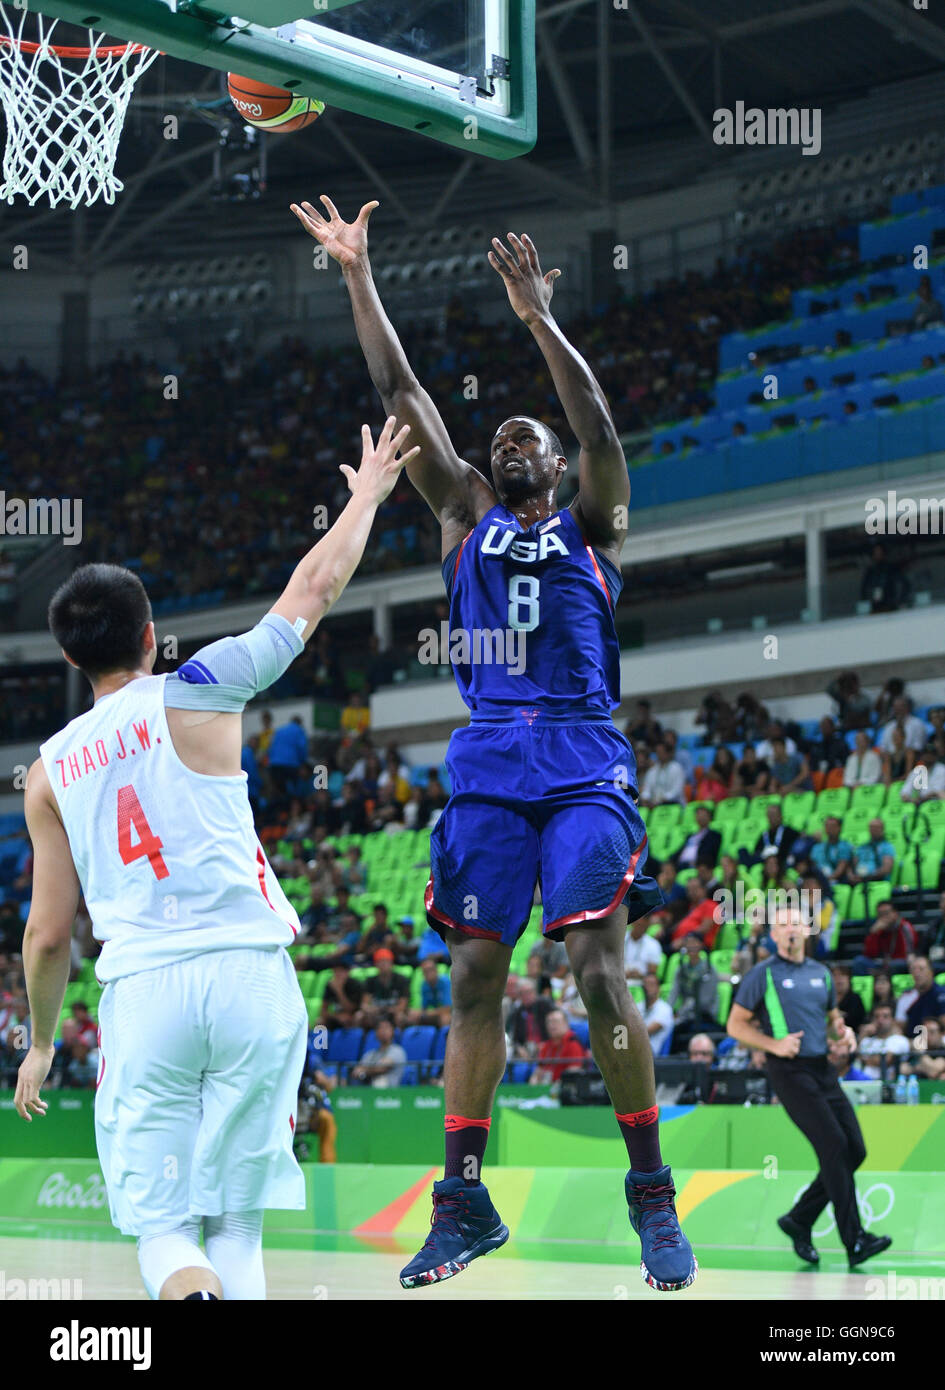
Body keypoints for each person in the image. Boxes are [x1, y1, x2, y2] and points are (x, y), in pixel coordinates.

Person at [293, 196, 693, 1291]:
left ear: (558, 469)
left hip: (581, 758)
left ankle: (650, 1192)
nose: (513, 440)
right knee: (473, 976)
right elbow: (401, 394)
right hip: (488, 763)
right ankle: (463, 1201)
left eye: (532, 438)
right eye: (502, 434)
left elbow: (600, 428)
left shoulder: (595, 524)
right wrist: (358, 274)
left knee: (597, 976)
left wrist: (537, 319)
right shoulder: (463, 513)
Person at [13, 416, 417, 1301]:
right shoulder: (202, 687)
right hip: (251, 980)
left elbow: (46, 936)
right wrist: (363, 498)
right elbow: (313, 588)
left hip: (145, 992)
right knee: (237, 1223)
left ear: (71, 656)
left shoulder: (46, 773)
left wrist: (41, 1044)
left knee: (164, 1228)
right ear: (151, 635)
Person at [728, 906, 892, 1270]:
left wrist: (843, 1033)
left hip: (823, 1068)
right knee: (834, 1145)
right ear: (773, 935)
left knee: (855, 1149)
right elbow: (735, 1025)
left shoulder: (821, 974)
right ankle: (855, 1241)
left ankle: (799, 1219)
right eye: (782, 924)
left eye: (795, 922)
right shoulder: (762, 974)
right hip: (789, 1071)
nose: (790, 929)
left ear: (807, 929)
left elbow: (832, 1021)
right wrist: (773, 1045)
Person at [895, 956, 945, 1042]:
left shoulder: (942, 993)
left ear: (931, 972)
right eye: (913, 969)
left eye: (921, 969)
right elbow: (899, 1027)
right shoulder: (906, 996)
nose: (916, 973)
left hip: (938, 1042)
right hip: (913, 1042)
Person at [531, 1008, 587, 1084]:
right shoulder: (546, 1045)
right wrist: (533, 1081)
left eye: (555, 1021)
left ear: (566, 1024)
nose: (551, 1025)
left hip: (564, 1086)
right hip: (545, 1086)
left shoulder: (573, 1043)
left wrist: (558, 1084)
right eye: (548, 1022)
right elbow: (539, 1070)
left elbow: (573, 1071)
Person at [857, 1003, 911, 1081]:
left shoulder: (899, 1040)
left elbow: (886, 1060)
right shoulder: (866, 1041)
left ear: (893, 1020)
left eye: (885, 1016)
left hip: (887, 1084)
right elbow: (855, 1060)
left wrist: (864, 1060)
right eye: (877, 1017)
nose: (880, 1020)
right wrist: (862, 1035)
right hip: (863, 1083)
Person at [350, 1016, 407, 1087]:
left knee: (380, 1082)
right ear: (375, 1032)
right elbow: (357, 1071)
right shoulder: (370, 1054)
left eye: (386, 1027)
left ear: (393, 1031)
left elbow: (382, 1068)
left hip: (390, 1090)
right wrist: (363, 1071)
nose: (383, 1031)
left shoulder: (398, 1050)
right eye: (380, 1028)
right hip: (370, 1090)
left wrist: (364, 1071)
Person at [640, 971, 674, 1056]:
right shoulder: (637, 1006)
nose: (648, 987)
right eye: (645, 984)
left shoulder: (665, 1009)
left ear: (658, 988)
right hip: (634, 1047)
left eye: (651, 984)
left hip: (651, 1052)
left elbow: (645, 1032)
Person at [624, 915, 664, 982]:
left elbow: (652, 972)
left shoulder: (653, 944)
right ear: (633, 923)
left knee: (651, 980)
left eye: (644, 926)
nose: (641, 928)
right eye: (639, 925)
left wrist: (640, 975)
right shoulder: (620, 939)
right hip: (618, 977)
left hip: (641, 982)